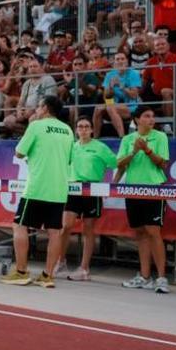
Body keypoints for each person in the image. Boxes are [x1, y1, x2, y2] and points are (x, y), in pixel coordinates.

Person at [0, 95, 73, 288]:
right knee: (54, 232)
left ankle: (22, 271)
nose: (36, 110)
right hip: (59, 188)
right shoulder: (68, 130)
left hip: (37, 186)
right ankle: (48, 276)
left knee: (19, 225)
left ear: (46, 109)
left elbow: (19, 153)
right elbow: (69, 159)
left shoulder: (36, 126)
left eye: (39, 107)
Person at [115, 106, 171, 294]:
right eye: (147, 116)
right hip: (133, 189)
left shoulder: (160, 137)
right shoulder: (127, 139)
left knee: (154, 232)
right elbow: (120, 164)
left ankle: (162, 278)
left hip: (153, 189)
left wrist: (146, 150)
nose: (151, 119)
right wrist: (133, 151)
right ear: (137, 119)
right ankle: (145, 276)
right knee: (140, 233)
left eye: (153, 116)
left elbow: (163, 163)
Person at [61, 118, 117, 281]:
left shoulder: (100, 147)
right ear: (76, 130)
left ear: (92, 130)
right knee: (65, 226)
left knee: (88, 229)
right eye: (80, 127)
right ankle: (60, 262)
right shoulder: (71, 146)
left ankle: (84, 268)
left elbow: (116, 164)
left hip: (92, 190)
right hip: (73, 189)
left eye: (86, 127)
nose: (83, 129)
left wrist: (112, 184)